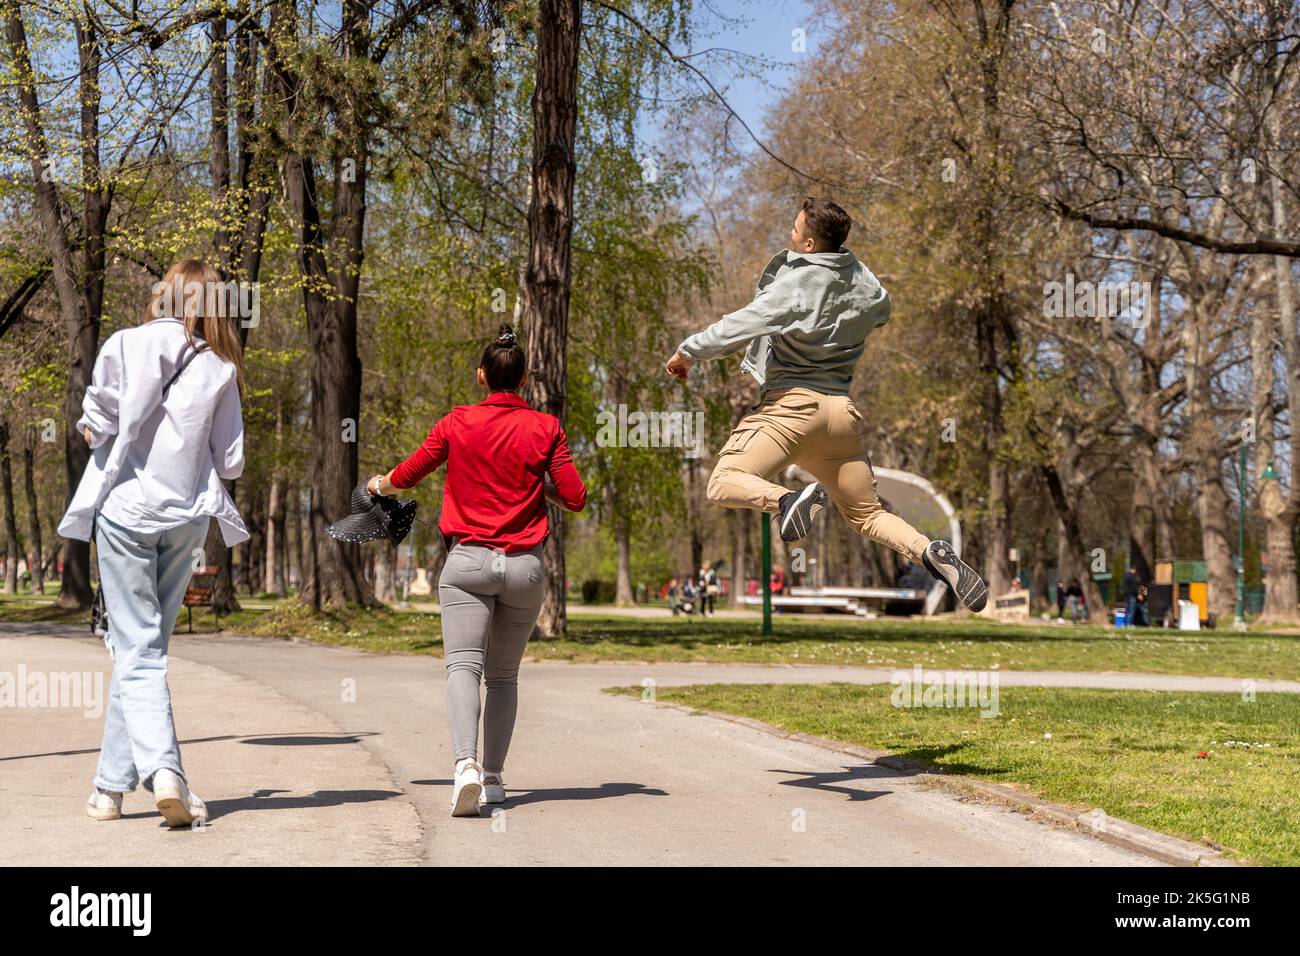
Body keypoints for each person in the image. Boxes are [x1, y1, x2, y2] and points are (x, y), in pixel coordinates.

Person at [666, 198, 987, 612]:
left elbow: (741, 324)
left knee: (723, 480)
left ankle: (786, 501)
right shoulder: (865, 284)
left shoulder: (795, 286)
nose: (790, 235)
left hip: (791, 409)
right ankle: (931, 553)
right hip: (839, 417)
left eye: (796, 231)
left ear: (811, 243)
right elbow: (883, 310)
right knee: (867, 515)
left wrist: (687, 352)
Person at [366, 323, 587, 816]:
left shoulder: (457, 422)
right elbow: (575, 498)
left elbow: (411, 471)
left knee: (463, 666)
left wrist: (379, 485)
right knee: (504, 675)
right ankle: (494, 778)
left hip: (467, 561)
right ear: (525, 379)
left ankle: (464, 765)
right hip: (524, 567)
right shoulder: (546, 428)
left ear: (481, 376)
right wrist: (537, 487)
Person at [59, 259, 248, 828]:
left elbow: (95, 421)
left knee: (136, 652)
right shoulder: (221, 367)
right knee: (143, 650)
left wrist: (101, 433)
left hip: (125, 513)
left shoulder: (123, 344)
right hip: (187, 516)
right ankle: (109, 791)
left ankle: (166, 773)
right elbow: (231, 459)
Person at [1122, 565, 1141, 629]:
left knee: (1127, 610)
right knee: (1131, 610)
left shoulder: (1125, 576)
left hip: (1126, 595)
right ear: (1135, 570)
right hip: (1132, 595)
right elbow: (1134, 587)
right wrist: (1138, 594)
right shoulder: (1133, 577)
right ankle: (1130, 624)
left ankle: (1125, 623)